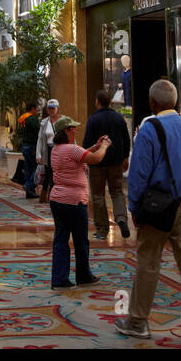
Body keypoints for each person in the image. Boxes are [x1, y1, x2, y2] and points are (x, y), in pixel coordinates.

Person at [116, 79, 181, 348]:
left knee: (149, 262)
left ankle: (138, 322)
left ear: (153, 103)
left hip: (159, 207)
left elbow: (139, 174)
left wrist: (135, 209)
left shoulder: (149, 130)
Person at [49, 117, 109, 290]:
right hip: (74, 201)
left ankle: (59, 278)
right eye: (73, 128)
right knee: (81, 240)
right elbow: (95, 159)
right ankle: (83, 275)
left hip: (58, 199)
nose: (76, 130)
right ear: (66, 131)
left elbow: (80, 156)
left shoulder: (57, 149)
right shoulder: (71, 149)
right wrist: (103, 147)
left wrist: (95, 147)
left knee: (60, 238)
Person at [83, 88, 131, 240]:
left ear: (97, 102)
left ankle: (103, 229)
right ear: (109, 101)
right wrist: (125, 157)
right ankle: (121, 218)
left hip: (97, 163)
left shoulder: (93, 119)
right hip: (115, 162)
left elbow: (87, 142)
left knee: (98, 195)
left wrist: (86, 158)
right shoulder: (119, 118)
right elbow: (126, 139)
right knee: (117, 191)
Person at [36, 99, 61, 203]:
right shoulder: (44, 122)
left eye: (53, 108)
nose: (51, 110)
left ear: (58, 108)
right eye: (49, 108)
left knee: (56, 173)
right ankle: (47, 195)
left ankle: (53, 196)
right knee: (48, 172)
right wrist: (38, 154)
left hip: (60, 150)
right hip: (48, 150)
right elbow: (40, 139)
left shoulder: (63, 121)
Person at [19, 103, 41, 199]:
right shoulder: (32, 119)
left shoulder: (22, 118)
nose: (37, 111)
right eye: (37, 108)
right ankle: (29, 186)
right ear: (32, 108)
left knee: (28, 169)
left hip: (25, 146)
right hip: (32, 146)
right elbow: (39, 131)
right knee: (36, 168)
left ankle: (30, 192)